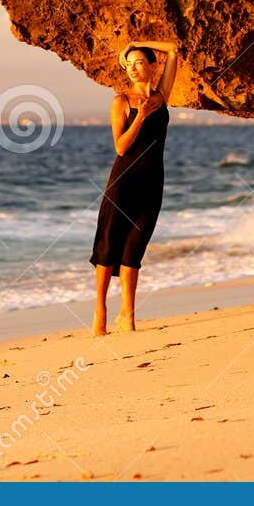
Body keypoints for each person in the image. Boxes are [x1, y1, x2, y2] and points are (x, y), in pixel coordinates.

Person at [90, 39, 178, 335]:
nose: (134, 69)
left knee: (134, 250)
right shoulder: (121, 101)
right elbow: (121, 146)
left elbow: (173, 50)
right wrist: (140, 115)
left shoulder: (162, 96)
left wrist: (135, 43)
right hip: (123, 182)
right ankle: (100, 313)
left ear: (154, 67)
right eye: (129, 65)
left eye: (140, 63)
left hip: (153, 182)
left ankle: (127, 315)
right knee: (107, 247)